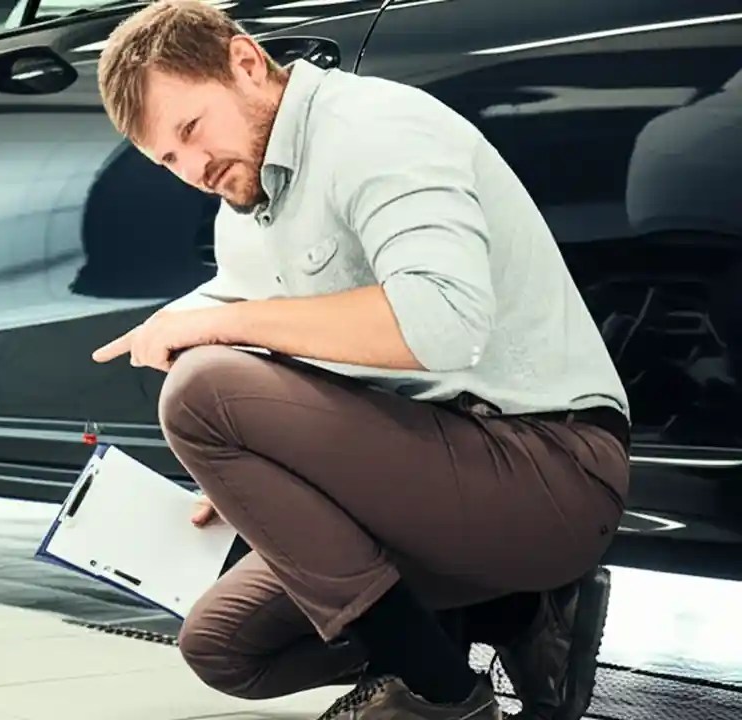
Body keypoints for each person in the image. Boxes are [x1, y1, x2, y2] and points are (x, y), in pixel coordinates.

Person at [88, 1, 632, 719]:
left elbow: (443, 326)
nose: (193, 169)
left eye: (190, 129)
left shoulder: (373, 130)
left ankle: (444, 696)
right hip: (430, 479)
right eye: (168, 159)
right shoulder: (247, 208)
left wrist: (220, 324)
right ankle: (513, 615)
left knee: (196, 390)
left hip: (545, 467)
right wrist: (249, 482)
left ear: (246, 64)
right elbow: (309, 374)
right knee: (221, 646)